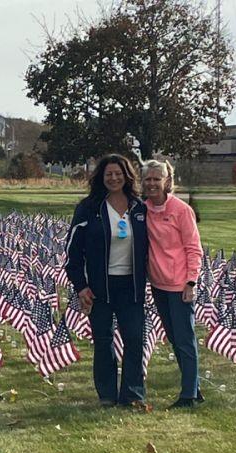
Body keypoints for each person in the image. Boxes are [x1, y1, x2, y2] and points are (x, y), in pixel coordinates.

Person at [65, 154, 148, 407]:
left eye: (118, 173)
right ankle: (107, 395)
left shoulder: (139, 207)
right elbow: (72, 253)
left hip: (131, 286)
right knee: (103, 340)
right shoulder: (89, 208)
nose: (114, 178)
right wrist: (81, 286)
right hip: (100, 287)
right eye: (109, 174)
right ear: (101, 177)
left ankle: (132, 394)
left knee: (134, 339)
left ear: (127, 175)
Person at [141, 159, 204, 408]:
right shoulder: (142, 209)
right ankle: (194, 387)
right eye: (148, 179)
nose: (152, 183)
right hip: (158, 285)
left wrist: (191, 281)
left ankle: (188, 395)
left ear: (167, 181)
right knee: (174, 338)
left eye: (157, 179)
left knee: (185, 339)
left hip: (180, 286)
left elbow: (193, 249)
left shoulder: (181, 210)